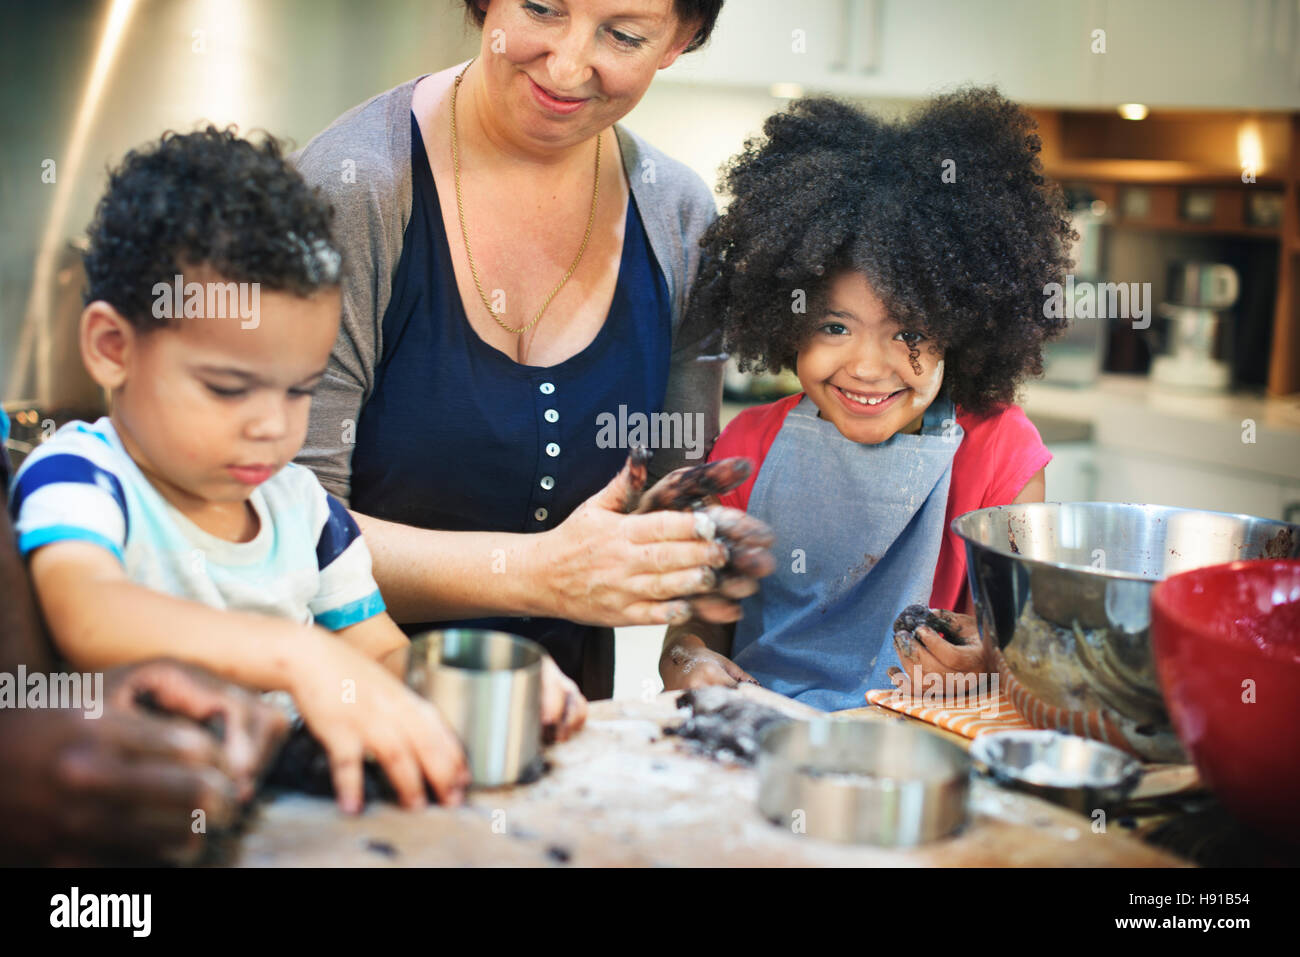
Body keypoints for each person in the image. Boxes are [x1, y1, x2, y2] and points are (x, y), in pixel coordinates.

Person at [7, 127, 583, 815]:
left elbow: (373, 650)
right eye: (227, 388)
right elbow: (90, 613)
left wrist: (480, 685)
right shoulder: (83, 475)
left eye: (299, 390)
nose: (272, 426)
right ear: (112, 348)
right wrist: (296, 655)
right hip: (140, 819)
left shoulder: (304, 508)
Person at [291, 0, 766, 699]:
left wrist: (698, 556)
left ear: (680, 40)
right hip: (353, 720)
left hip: (566, 733)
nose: (570, 65)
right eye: (543, 7)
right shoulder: (354, 189)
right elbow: (284, 528)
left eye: (624, 35)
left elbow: (663, 496)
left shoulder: (679, 220)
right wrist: (542, 572)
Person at [659, 91, 1076, 710]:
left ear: (964, 332)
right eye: (834, 327)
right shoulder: (748, 447)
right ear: (784, 318)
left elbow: (1031, 647)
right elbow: (692, 633)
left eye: (909, 332)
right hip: (765, 740)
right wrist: (687, 660)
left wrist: (986, 660)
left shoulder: (1001, 454)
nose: (866, 367)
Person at [1, 409, 287, 865]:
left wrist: (76, 694)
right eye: (225, 389)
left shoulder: (295, 498)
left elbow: (16, 685)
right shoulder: (75, 470)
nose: (271, 424)